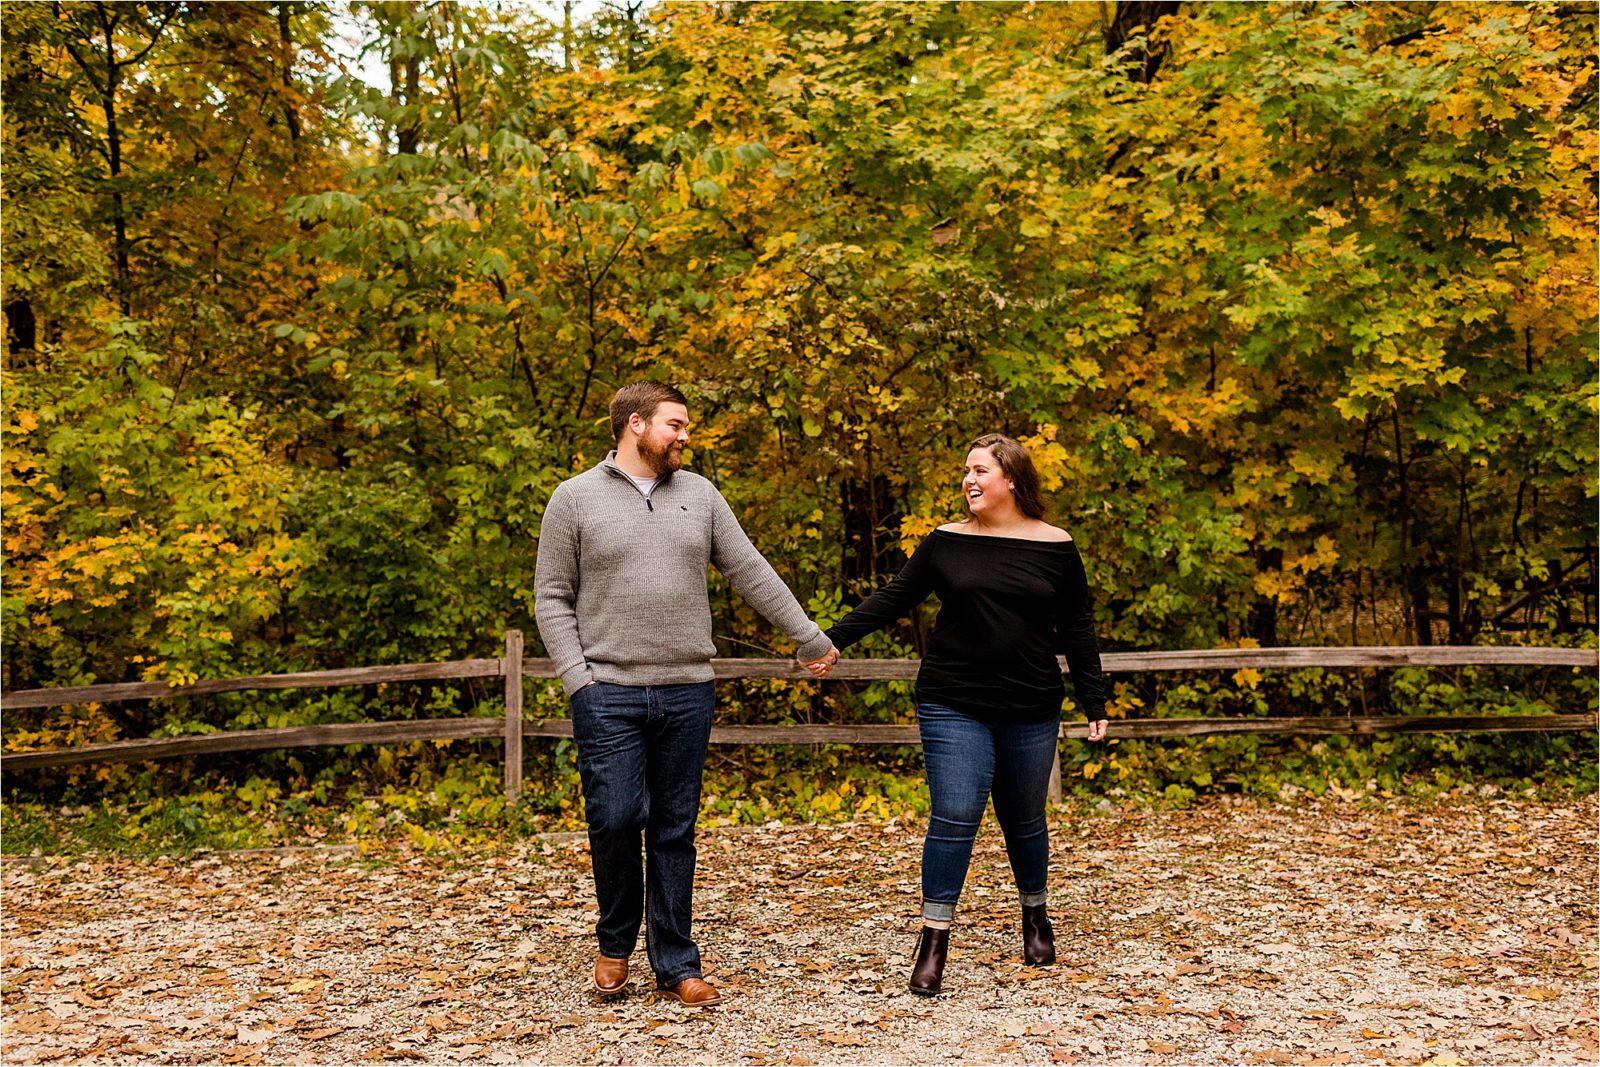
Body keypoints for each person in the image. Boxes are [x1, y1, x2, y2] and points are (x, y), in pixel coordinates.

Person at [534, 381, 838, 1008]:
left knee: (675, 828)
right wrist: (578, 680)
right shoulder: (574, 498)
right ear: (636, 424)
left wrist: (808, 636)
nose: (685, 436)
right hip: (608, 691)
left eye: (686, 426)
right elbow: (552, 596)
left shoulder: (699, 494)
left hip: (688, 691)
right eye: (675, 424)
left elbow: (749, 568)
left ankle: (675, 962)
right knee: (616, 818)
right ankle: (615, 943)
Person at [807, 432, 1108, 996]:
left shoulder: (1056, 545)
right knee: (955, 813)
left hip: (1030, 702)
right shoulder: (946, 542)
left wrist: (1094, 699)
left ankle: (1035, 915)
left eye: (980, 470)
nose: (969, 480)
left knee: (1024, 817)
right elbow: (895, 597)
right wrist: (830, 640)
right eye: (966, 471)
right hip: (953, 700)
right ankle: (934, 939)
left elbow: (1077, 626)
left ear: (1011, 479)